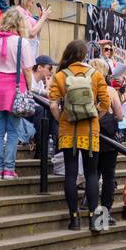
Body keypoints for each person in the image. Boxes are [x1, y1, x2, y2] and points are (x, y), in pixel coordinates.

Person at [48, 39, 111, 231]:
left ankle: (74, 219)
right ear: (85, 55)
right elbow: (105, 103)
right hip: (90, 132)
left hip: (68, 132)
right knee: (92, 174)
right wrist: (95, 118)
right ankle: (94, 219)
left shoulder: (60, 76)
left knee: (71, 173)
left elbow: (52, 104)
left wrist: (62, 119)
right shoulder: (96, 75)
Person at [0, 7, 36, 180]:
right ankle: (9, 169)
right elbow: (28, 70)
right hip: (16, 87)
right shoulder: (22, 42)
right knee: (13, 131)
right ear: (20, 24)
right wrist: (30, 89)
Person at [87, 57, 126, 229]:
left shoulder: (86, 87)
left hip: (90, 135)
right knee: (109, 176)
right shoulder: (109, 90)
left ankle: (92, 211)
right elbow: (119, 115)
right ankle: (105, 213)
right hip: (109, 139)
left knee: (92, 174)